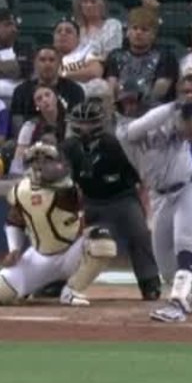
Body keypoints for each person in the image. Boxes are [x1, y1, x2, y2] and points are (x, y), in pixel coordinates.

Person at [114, 97, 192, 323]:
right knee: (166, 269)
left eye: (135, 101)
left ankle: (178, 304)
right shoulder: (123, 130)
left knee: (184, 243)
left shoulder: (171, 122)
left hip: (189, 189)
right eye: (126, 103)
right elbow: (139, 127)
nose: (131, 106)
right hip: (160, 198)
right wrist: (175, 106)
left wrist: (188, 116)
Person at [0, 140, 114, 307]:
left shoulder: (68, 188)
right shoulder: (21, 191)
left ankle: (71, 290)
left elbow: (69, 195)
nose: (53, 166)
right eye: (43, 162)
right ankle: (49, 285)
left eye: (50, 160)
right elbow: (13, 221)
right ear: (32, 167)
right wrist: (14, 249)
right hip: (40, 257)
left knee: (102, 242)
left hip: (72, 252)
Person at [59, 99, 162, 300]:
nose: (84, 128)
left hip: (122, 199)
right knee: (64, 235)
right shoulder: (68, 148)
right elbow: (63, 181)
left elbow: (141, 181)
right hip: (89, 201)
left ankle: (149, 282)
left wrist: (148, 214)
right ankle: (56, 281)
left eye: (89, 123)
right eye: (80, 123)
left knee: (139, 234)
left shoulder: (117, 145)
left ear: (100, 123)